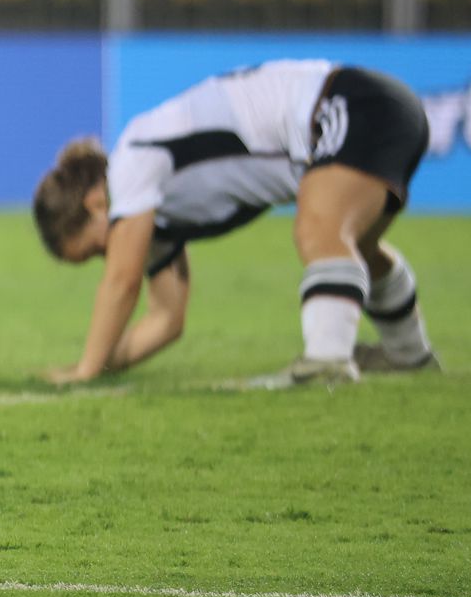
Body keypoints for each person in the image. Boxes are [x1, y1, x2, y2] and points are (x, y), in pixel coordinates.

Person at [32, 59, 439, 386]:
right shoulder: (156, 217)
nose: (108, 255)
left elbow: (122, 282)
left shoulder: (132, 159)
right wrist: (96, 366)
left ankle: (327, 365)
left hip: (354, 104)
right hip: (375, 113)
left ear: (95, 203)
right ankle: (410, 356)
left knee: (320, 231)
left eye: (95, 248)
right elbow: (165, 321)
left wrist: (84, 371)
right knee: (356, 247)